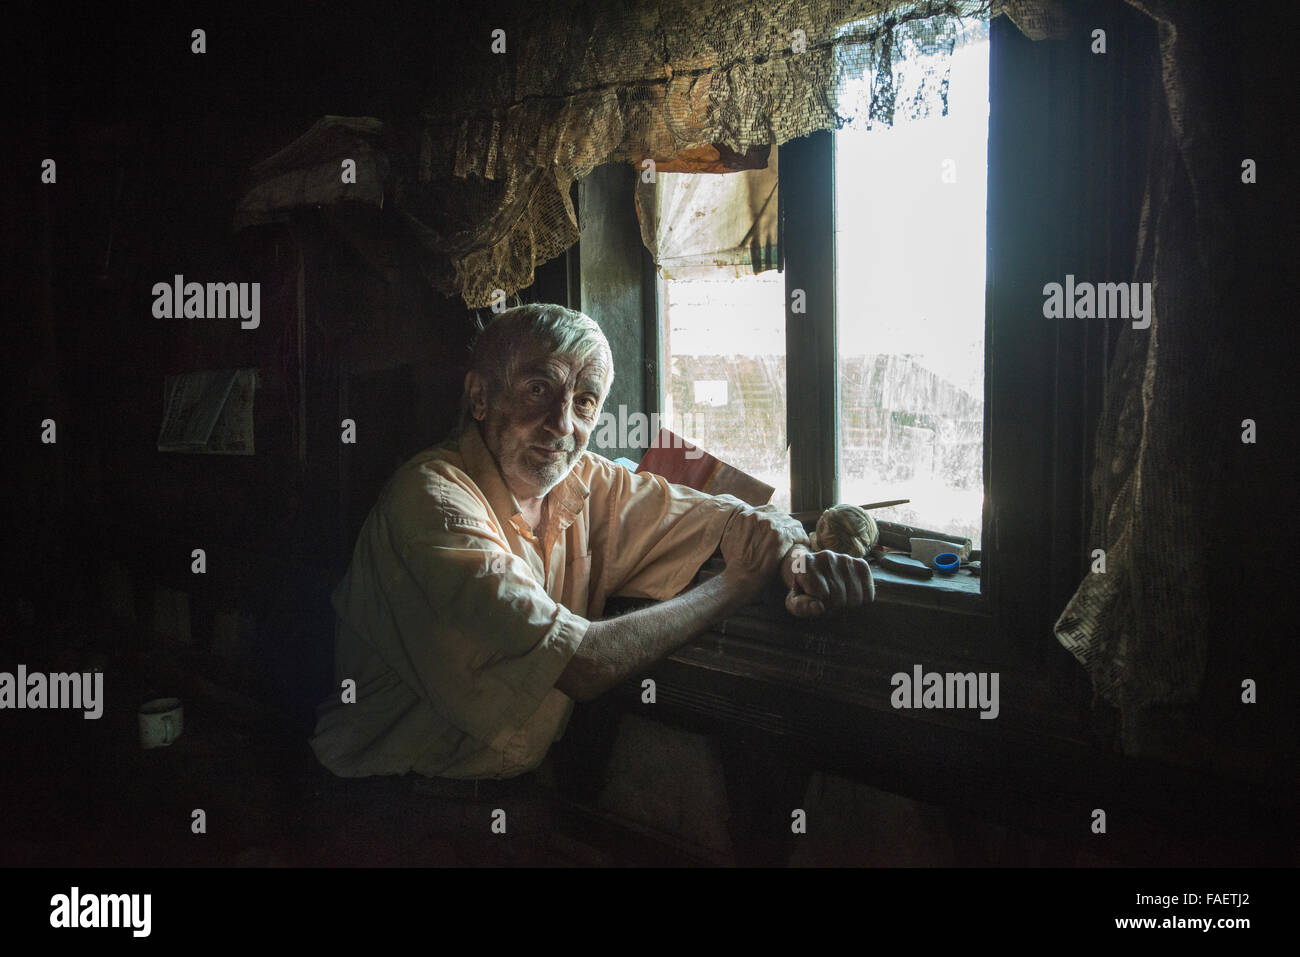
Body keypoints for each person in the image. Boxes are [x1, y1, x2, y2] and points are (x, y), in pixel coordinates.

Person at [310, 303, 874, 781]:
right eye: (538, 388)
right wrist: (736, 586)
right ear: (480, 398)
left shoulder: (586, 481)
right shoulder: (430, 499)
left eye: (584, 402)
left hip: (512, 796)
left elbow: (733, 520)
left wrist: (797, 563)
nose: (562, 425)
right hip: (383, 808)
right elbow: (580, 664)